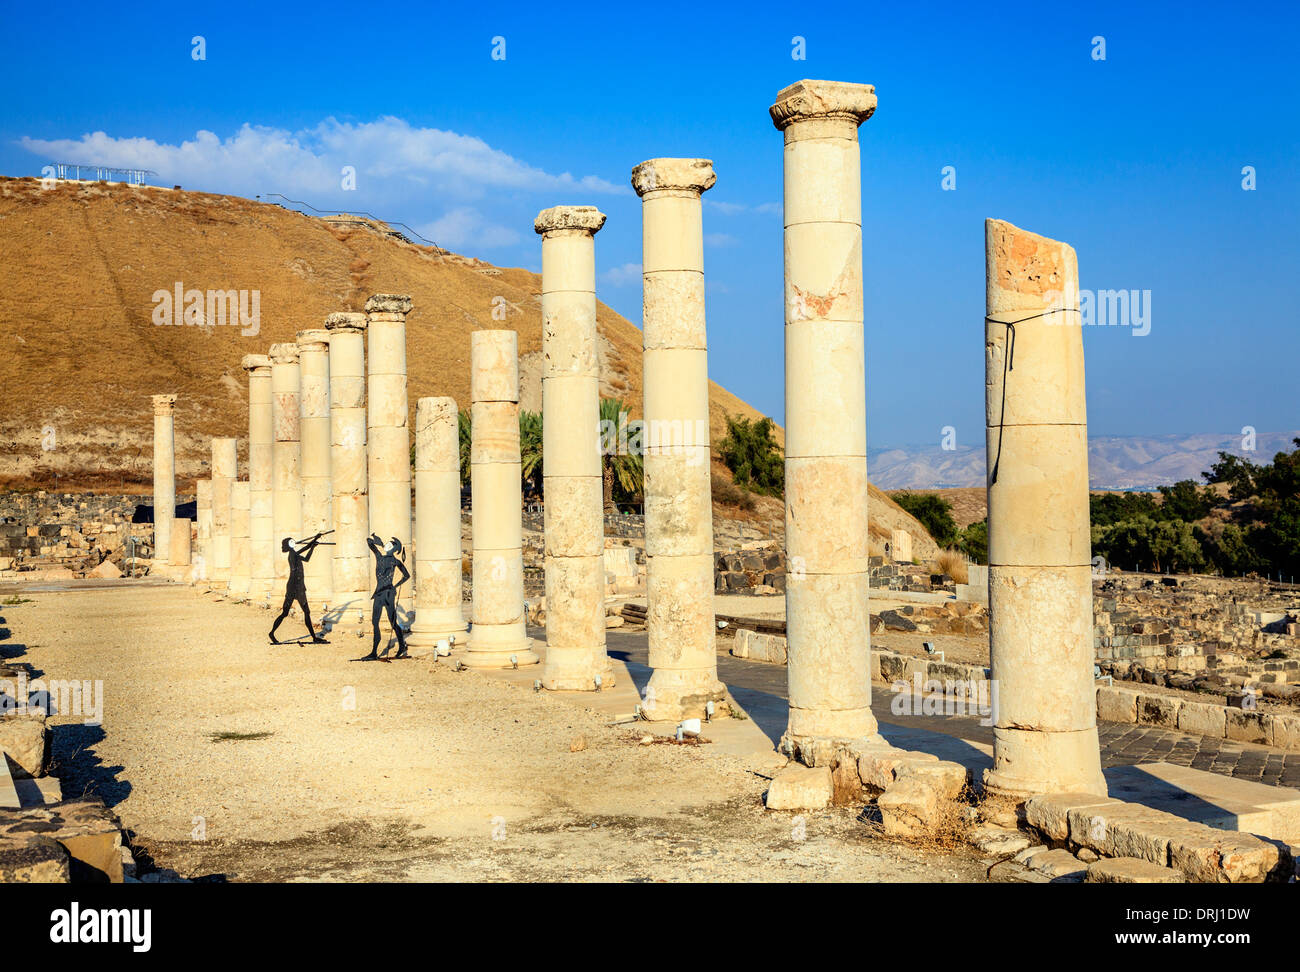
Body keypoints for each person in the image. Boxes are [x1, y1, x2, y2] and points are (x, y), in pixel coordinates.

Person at [269, 534, 329, 644]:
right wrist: (314, 540)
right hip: (295, 586)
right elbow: (304, 549)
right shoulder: (293, 554)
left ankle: (313, 637)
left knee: (303, 612)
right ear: (289, 545)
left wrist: (312, 546)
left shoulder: (294, 554)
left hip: (297, 586)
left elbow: (306, 559)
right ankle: (272, 633)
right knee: (289, 613)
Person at [364, 533, 410, 660]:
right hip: (379, 593)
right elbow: (368, 541)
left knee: (393, 621)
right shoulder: (379, 557)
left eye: (391, 545)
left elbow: (406, 575)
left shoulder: (395, 561)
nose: (387, 545)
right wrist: (378, 543)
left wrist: (395, 586)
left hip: (388, 594)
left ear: (394, 549)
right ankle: (374, 651)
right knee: (375, 621)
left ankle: (401, 646)